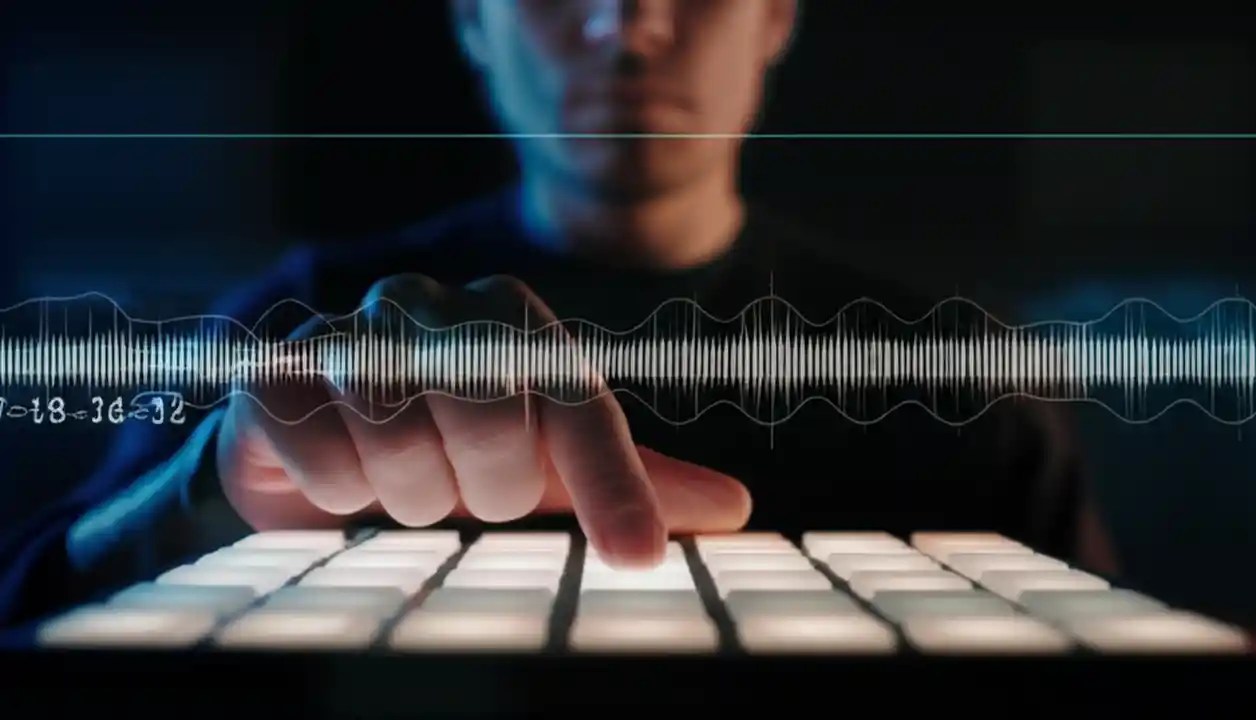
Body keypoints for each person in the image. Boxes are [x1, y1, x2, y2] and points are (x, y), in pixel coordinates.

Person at [0, 0, 1116, 629]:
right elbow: (31, 605)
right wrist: (213, 487)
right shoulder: (298, 330)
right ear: (472, 27)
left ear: (774, 19)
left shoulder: (964, 373)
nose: (626, 27)